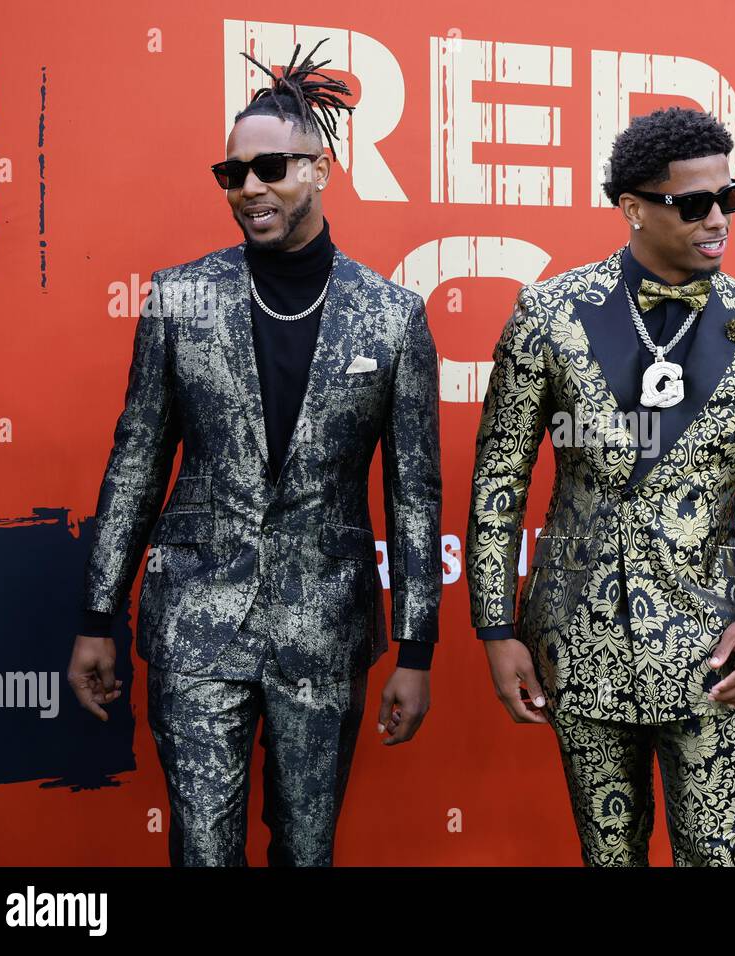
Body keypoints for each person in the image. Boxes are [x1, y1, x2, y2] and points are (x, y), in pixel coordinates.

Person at [66, 41, 442, 866]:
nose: (250, 189)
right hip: (196, 620)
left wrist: (416, 649)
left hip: (324, 624)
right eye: (232, 175)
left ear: (322, 169)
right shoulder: (179, 297)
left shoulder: (390, 316)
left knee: (307, 852)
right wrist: (99, 615)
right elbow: (136, 462)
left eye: (271, 167)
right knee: (203, 851)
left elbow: (413, 494)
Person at [467, 107, 735, 866]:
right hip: (578, 644)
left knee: (716, 859)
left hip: (716, 653)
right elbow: (499, 480)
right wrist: (494, 629)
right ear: (633, 209)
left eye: (731, 196)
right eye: (694, 204)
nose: (719, 218)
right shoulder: (549, 313)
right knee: (608, 858)